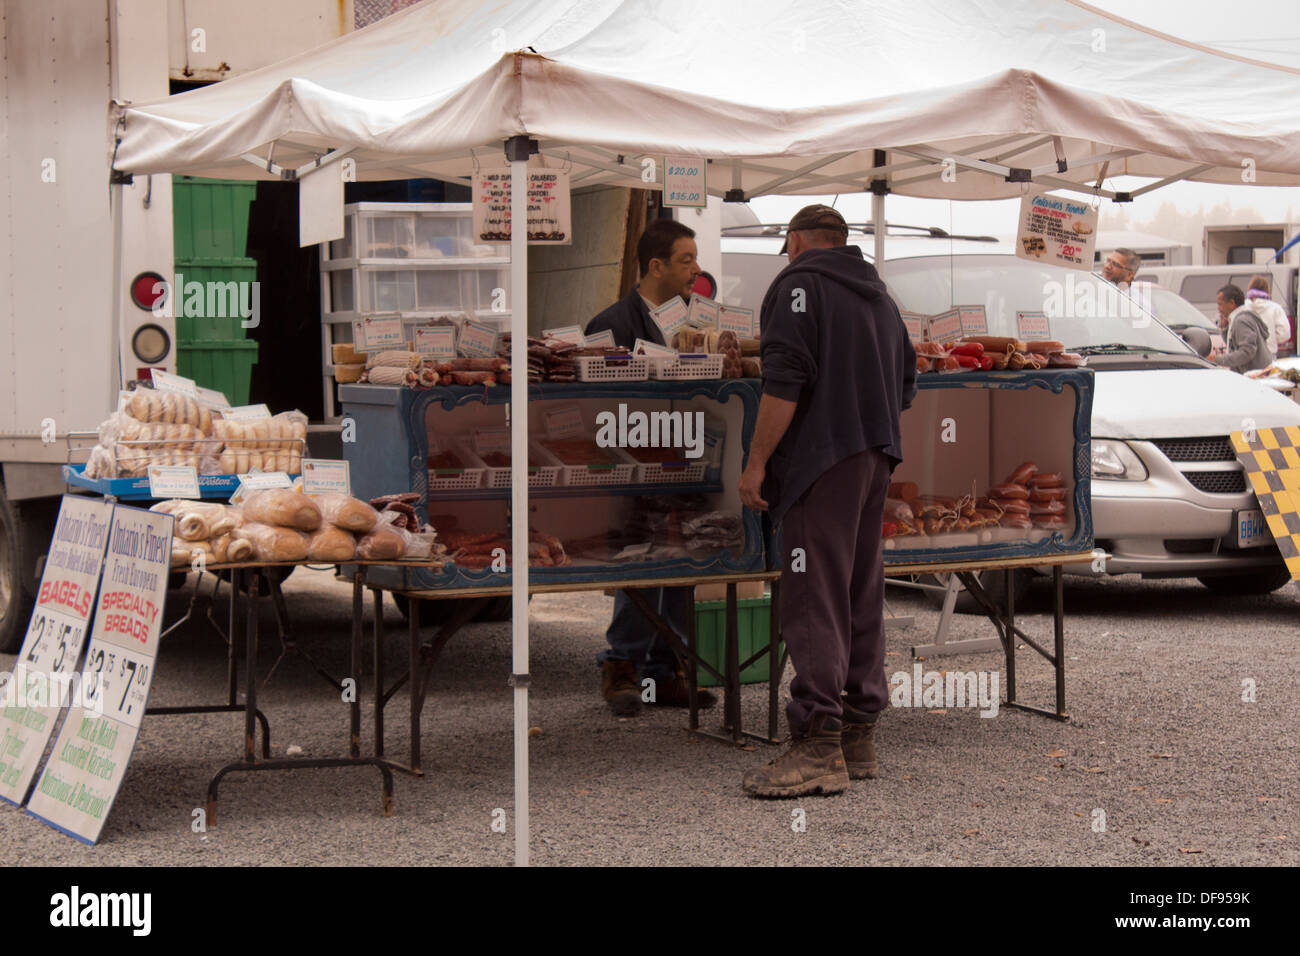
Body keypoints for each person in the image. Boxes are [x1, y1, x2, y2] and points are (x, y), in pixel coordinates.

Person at [738, 205, 916, 798]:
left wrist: (758, 460)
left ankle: (817, 743)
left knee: (813, 592)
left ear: (795, 242)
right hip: (875, 456)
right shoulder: (881, 296)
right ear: (842, 242)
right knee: (859, 588)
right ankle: (858, 732)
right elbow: (908, 383)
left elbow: (784, 382)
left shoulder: (797, 286)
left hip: (820, 459)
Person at [585, 218, 717, 717]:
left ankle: (668, 672)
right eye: (687, 260)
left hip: (689, 460)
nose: (696, 269)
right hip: (632, 467)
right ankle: (621, 666)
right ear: (656, 265)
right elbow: (596, 407)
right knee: (640, 562)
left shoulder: (697, 322)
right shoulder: (611, 322)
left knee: (683, 563)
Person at [1214, 283, 1272, 374]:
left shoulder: (1241, 321)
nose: (1218, 308)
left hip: (1254, 377)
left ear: (1232, 303)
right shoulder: (1241, 317)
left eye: (1220, 304)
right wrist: (1225, 329)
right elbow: (1235, 345)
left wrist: (1217, 359)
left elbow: (1247, 352)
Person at [1246, 275, 1291, 357]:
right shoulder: (1275, 308)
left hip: (1246, 354)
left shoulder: (1243, 307)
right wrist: (1271, 338)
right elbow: (1285, 334)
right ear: (1267, 290)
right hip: (1268, 354)